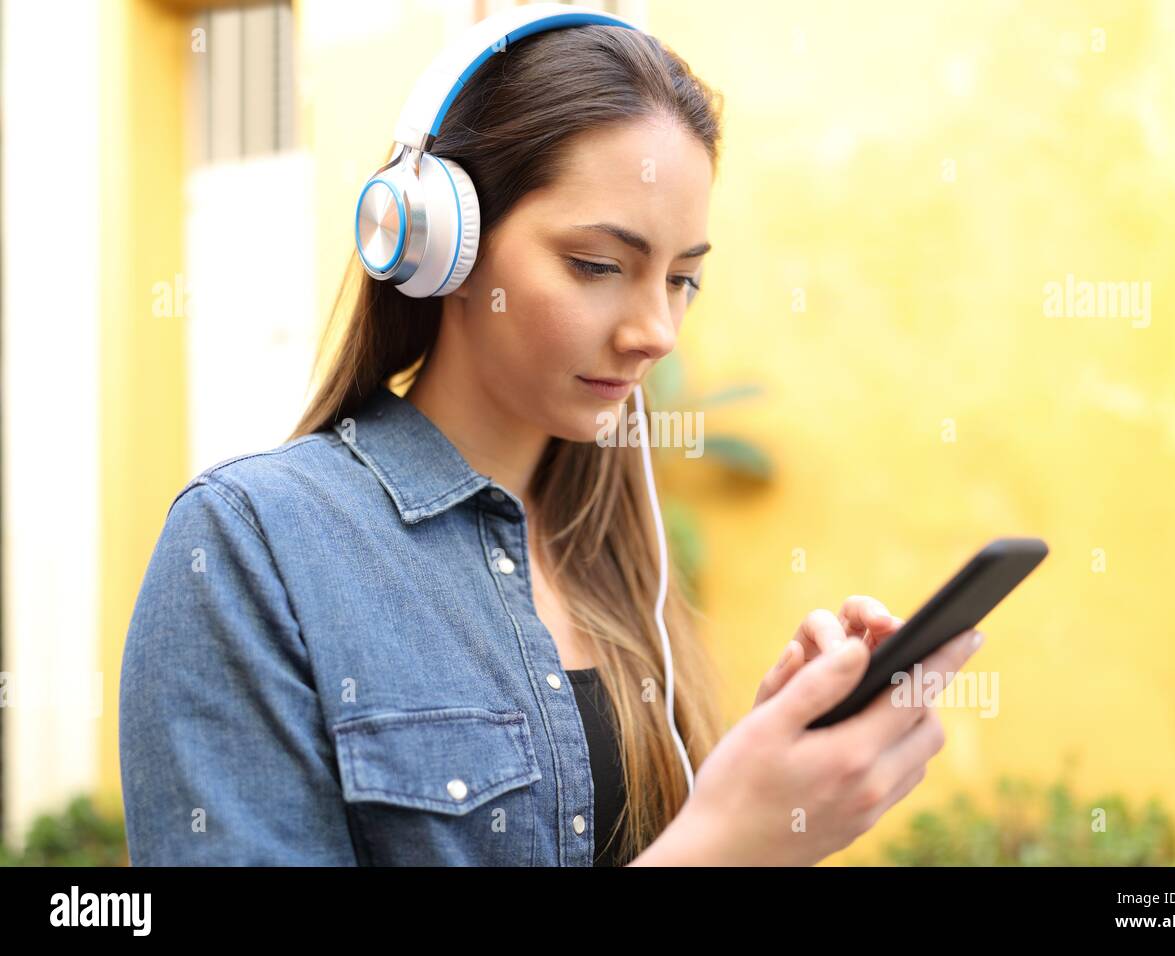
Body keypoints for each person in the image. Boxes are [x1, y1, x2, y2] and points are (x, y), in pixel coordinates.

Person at [119, 12, 982, 867]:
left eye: (684, 279)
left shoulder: (616, 557)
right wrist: (727, 847)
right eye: (600, 266)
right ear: (439, 244)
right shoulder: (249, 546)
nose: (657, 330)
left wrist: (757, 786)